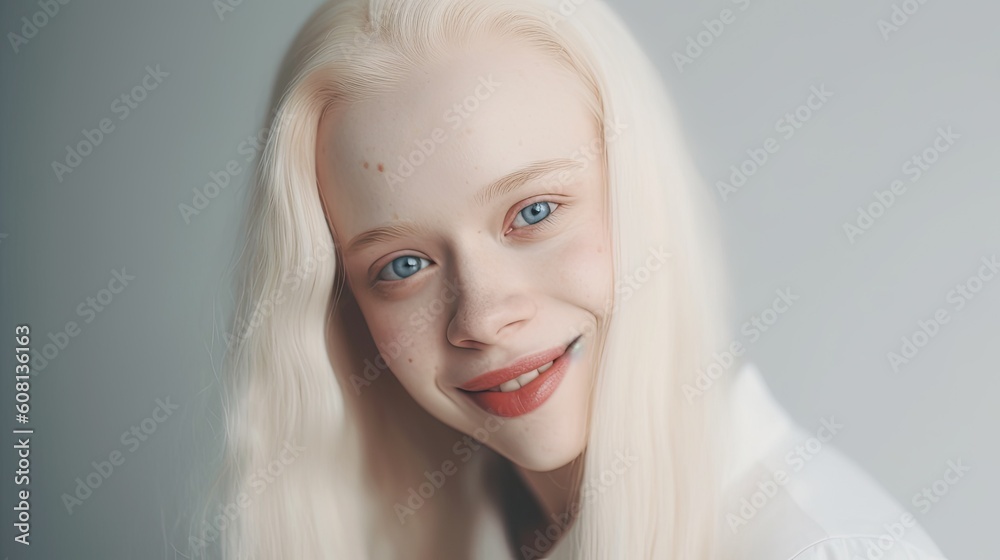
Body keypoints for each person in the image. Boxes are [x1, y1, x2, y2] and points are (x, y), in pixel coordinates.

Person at [195, 0, 951, 558]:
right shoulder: (476, 523)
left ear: (639, 196)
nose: (483, 316)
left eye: (533, 212)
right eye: (402, 266)